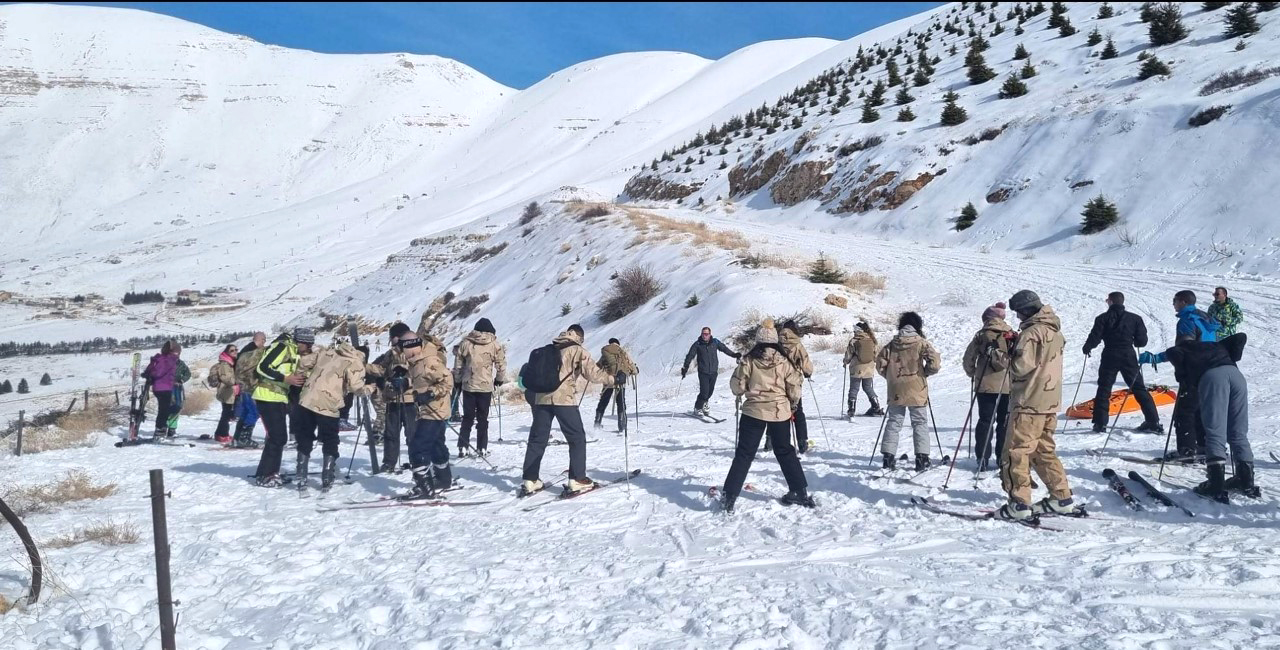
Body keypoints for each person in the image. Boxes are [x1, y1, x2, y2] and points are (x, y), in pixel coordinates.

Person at [989, 290, 1081, 520]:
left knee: (1016, 452)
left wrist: (1003, 354)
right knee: (1043, 450)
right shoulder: (1054, 331)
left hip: (1028, 401)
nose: (1018, 318)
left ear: (1025, 310)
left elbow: (1021, 367)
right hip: (1049, 402)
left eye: (1018, 313)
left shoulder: (1031, 333)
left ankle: (1019, 503)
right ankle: (1061, 497)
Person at [1141, 333, 1253, 500]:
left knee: (1215, 429)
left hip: (1214, 378)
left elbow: (1174, 356)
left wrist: (1183, 377)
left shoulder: (1179, 350)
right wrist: (1234, 355)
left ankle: (1215, 484)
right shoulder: (1214, 345)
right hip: (1236, 376)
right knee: (1238, 430)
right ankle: (1245, 480)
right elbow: (1241, 337)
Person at [721, 320, 813, 513]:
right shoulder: (784, 360)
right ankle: (799, 491)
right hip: (779, 412)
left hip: (753, 411)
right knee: (785, 450)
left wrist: (745, 390)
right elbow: (795, 387)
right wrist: (793, 403)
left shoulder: (749, 360)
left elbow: (736, 386)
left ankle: (729, 496)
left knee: (744, 454)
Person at [520, 324, 618, 496]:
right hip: (563, 399)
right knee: (577, 438)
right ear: (579, 337)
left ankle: (530, 480)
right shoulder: (577, 350)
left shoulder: (549, 348)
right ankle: (578, 479)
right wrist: (614, 380)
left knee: (537, 439)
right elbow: (594, 374)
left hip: (541, 398)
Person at [1081, 291, 1162, 434]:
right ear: (1122, 302)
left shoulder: (1102, 318)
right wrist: (1135, 341)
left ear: (1111, 302)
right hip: (1128, 355)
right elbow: (1142, 341)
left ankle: (1100, 423)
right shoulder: (1135, 318)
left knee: (1104, 389)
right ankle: (1153, 421)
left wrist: (1087, 347)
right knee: (1138, 388)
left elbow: (1095, 337)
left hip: (1110, 354)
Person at [295, 339, 367, 490]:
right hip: (328, 403)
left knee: (305, 435)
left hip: (307, 398)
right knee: (330, 439)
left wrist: (305, 376)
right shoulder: (355, 362)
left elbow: (303, 362)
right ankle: (327, 475)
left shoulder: (327, 352)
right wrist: (370, 388)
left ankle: (301, 473)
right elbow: (356, 387)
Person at [875, 312, 942, 471]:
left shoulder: (892, 344)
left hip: (896, 389)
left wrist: (892, 378)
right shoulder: (921, 343)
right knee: (919, 422)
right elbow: (935, 363)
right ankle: (922, 458)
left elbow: (879, 364)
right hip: (917, 387)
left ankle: (888, 458)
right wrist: (924, 373)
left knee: (894, 422)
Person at [1167, 290, 1222, 459]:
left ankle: (1186, 450)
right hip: (1212, 367)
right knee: (1202, 408)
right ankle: (1204, 445)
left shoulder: (1187, 320)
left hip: (1194, 369)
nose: (1173, 303)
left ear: (1183, 302)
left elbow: (1185, 349)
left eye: (1175, 300)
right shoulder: (1205, 318)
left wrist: (1165, 359)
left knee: (1185, 411)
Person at [401, 330, 455, 497]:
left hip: (434, 410)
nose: (401, 353)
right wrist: (404, 383)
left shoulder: (428, 361)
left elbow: (448, 380)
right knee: (435, 445)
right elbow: (421, 380)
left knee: (418, 447)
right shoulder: (417, 361)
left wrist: (430, 393)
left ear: (411, 347)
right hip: (430, 409)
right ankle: (443, 479)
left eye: (402, 348)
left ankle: (425, 487)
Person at [962, 303, 1011, 472]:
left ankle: (982, 457)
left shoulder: (981, 335)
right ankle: (1002, 457)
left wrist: (973, 373)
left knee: (985, 422)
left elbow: (968, 358)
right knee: (1004, 422)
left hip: (985, 385)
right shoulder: (1011, 335)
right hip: (1008, 386)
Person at [252, 330, 304, 487]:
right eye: (307, 345)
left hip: (278, 396)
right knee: (277, 437)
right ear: (300, 342)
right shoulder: (283, 347)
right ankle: (265, 475)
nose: (308, 348)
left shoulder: (293, 351)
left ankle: (270, 472)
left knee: (278, 437)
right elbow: (262, 368)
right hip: (267, 395)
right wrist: (285, 378)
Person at [453, 317, 507, 457]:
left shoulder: (466, 343)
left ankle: (463, 446)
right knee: (483, 418)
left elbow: (458, 365)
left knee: (468, 417)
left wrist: (457, 381)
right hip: (485, 387)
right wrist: (498, 380)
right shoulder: (495, 344)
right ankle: (481, 447)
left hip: (468, 385)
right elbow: (501, 365)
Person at [368, 322, 414, 473]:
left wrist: (407, 381)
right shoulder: (391, 353)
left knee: (412, 433)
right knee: (391, 433)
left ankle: (417, 460)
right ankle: (389, 462)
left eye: (392, 337)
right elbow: (381, 369)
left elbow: (420, 372)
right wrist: (365, 366)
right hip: (393, 398)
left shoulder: (414, 350)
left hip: (409, 399)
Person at [681, 327, 741, 417]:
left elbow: (725, 349)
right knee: (704, 392)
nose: (704, 336)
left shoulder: (715, 342)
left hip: (713, 371)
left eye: (706, 334)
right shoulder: (697, 344)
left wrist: (734, 355)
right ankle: (698, 407)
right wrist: (685, 368)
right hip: (703, 372)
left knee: (710, 391)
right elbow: (690, 356)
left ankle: (705, 404)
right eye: (703, 334)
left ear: (710, 334)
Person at [778, 320, 815, 453]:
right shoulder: (797, 345)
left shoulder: (777, 344)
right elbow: (806, 363)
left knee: (777, 411)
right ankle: (802, 442)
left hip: (778, 382)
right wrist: (808, 373)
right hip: (793, 382)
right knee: (798, 411)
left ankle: (771, 441)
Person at [595, 338, 638, 432]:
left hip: (608, 379)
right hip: (621, 380)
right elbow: (631, 365)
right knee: (621, 402)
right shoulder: (622, 351)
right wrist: (635, 371)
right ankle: (622, 426)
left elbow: (598, 365)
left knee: (604, 401)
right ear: (618, 343)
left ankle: (597, 423)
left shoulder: (606, 352)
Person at [232, 332, 266, 448]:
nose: (264, 343)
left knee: (246, 411)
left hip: (243, 385)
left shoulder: (245, 350)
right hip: (250, 386)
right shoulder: (255, 352)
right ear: (261, 340)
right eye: (264, 341)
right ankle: (244, 438)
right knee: (254, 411)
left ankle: (237, 437)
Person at [843, 321, 883, 418]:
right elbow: (875, 355)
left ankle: (851, 409)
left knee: (854, 388)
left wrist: (845, 362)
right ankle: (876, 406)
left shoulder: (854, 341)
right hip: (869, 368)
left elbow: (849, 355)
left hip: (857, 368)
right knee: (868, 387)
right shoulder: (872, 340)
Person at [143, 341, 180, 439]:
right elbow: (158, 372)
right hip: (163, 388)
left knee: (164, 410)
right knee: (166, 410)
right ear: (173, 351)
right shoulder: (168, 360)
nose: (178, 354)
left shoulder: (161, 358)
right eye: (178, 352)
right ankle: (159, 432)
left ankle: (161, 430)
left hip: (160, 387)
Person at [207, 344, 238, 443]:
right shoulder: (225, 364)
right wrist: (238, 380)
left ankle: (221, 433)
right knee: (226, 414)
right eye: (232, 350)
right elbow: (228, 379)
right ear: (226, 353)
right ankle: (222, 434)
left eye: (236, 350)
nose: (235, 352)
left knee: (226, 414)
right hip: (226, 391)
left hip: (228, 391)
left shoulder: (230, 363)